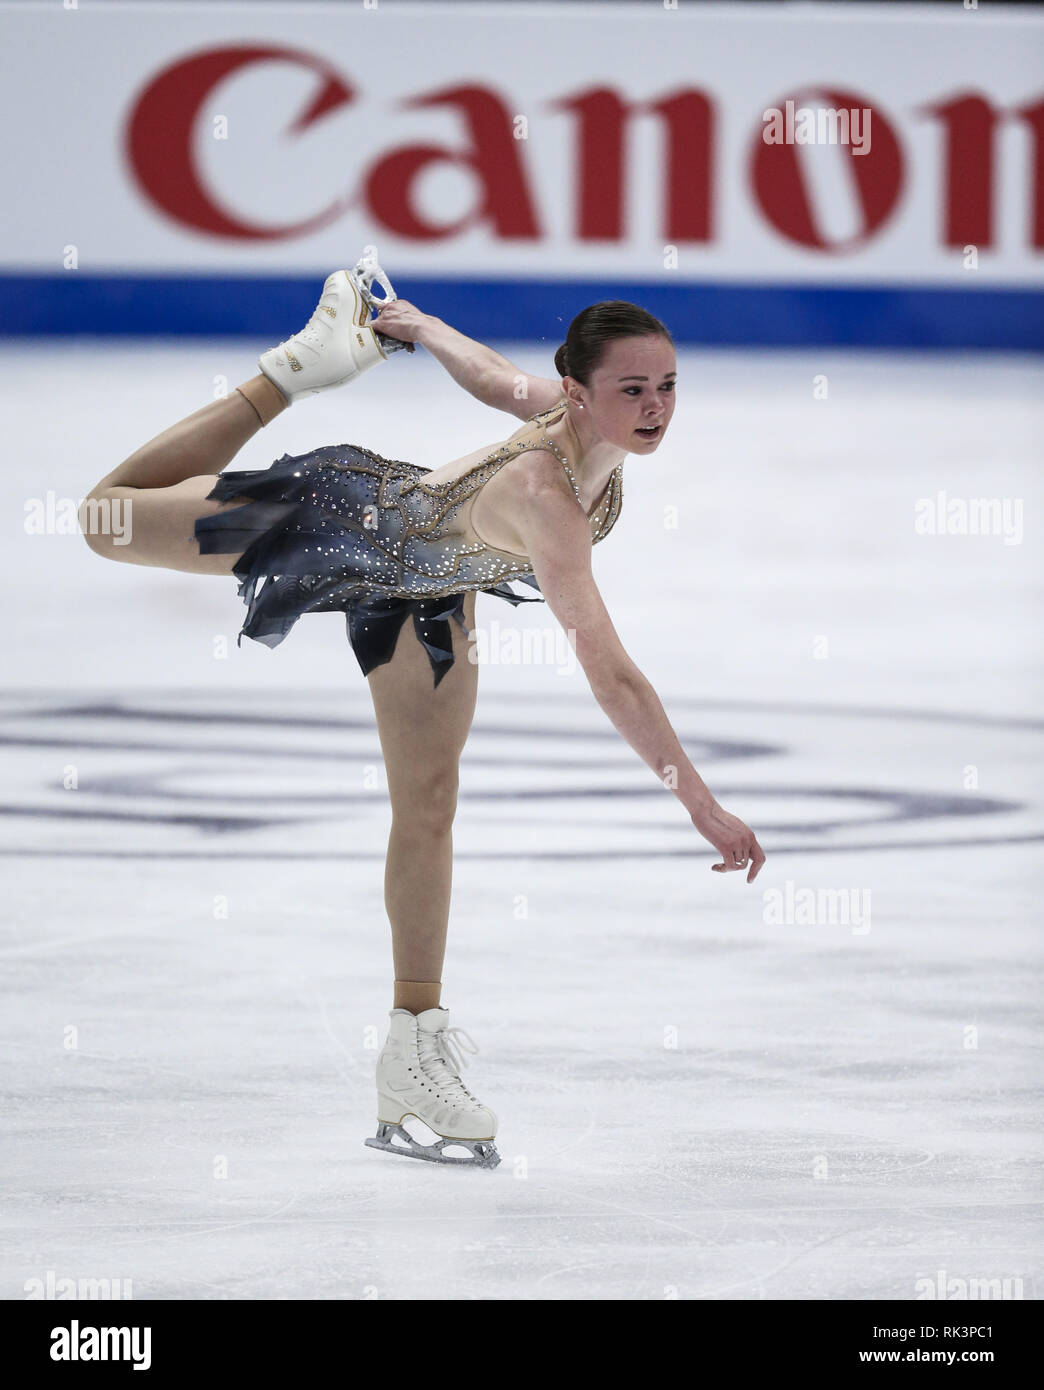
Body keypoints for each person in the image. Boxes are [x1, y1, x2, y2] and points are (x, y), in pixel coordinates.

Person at [79, 250, 766, 1169]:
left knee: (429, 805)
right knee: (105, 520)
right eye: (634, 389)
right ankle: (286, 377)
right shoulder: (546, 496)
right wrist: (700, 803)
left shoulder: (574, 424)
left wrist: (424, 327)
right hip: (340, 521)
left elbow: (493, 379)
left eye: (669, 387)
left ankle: (413, 1043)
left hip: (429, 597)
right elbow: (611, 673)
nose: (655, 407)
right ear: (580, 391)